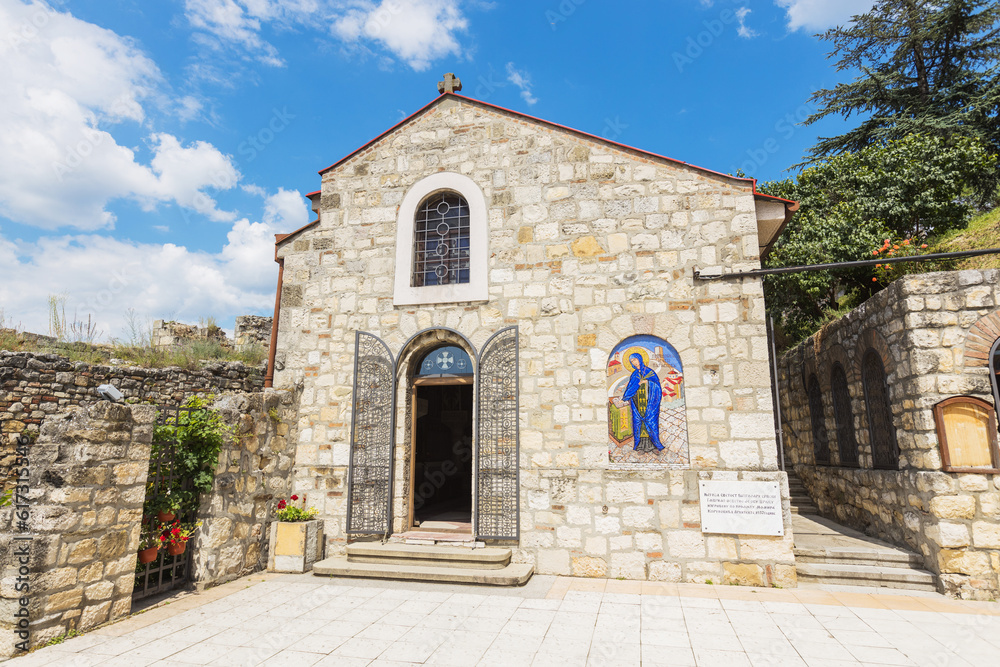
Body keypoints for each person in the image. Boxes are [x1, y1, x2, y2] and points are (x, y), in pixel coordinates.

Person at [621, 352, 664, 453]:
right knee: (639, 423)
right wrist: (625, 395)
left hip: (649, 403)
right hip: (637, 403)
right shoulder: (634, 374)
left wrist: (647, 382)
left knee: (651, 422)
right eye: (632, 361)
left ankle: (654, 446)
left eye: (635, 359)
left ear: (639, 359)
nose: (634, 362)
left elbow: (657, 386)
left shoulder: (650, 372)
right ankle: (640, 446)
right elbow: (631, 387)